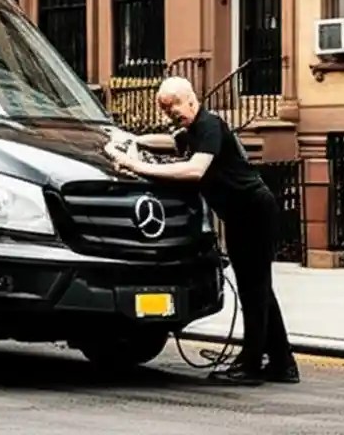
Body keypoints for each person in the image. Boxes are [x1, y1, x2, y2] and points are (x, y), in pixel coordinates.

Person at [103, 76, 299, 386]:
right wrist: (130, 139)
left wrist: (137, 166)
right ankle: (282, 362)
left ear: (190, 99)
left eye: (174, 107)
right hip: (239, 215)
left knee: (254, 289)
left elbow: (195, 169)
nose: (171, 115)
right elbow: (168, 141)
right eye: (166, 111)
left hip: (254, 213)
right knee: (259, 288)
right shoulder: (194, 130)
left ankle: (251, 364)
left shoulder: (210, 125)